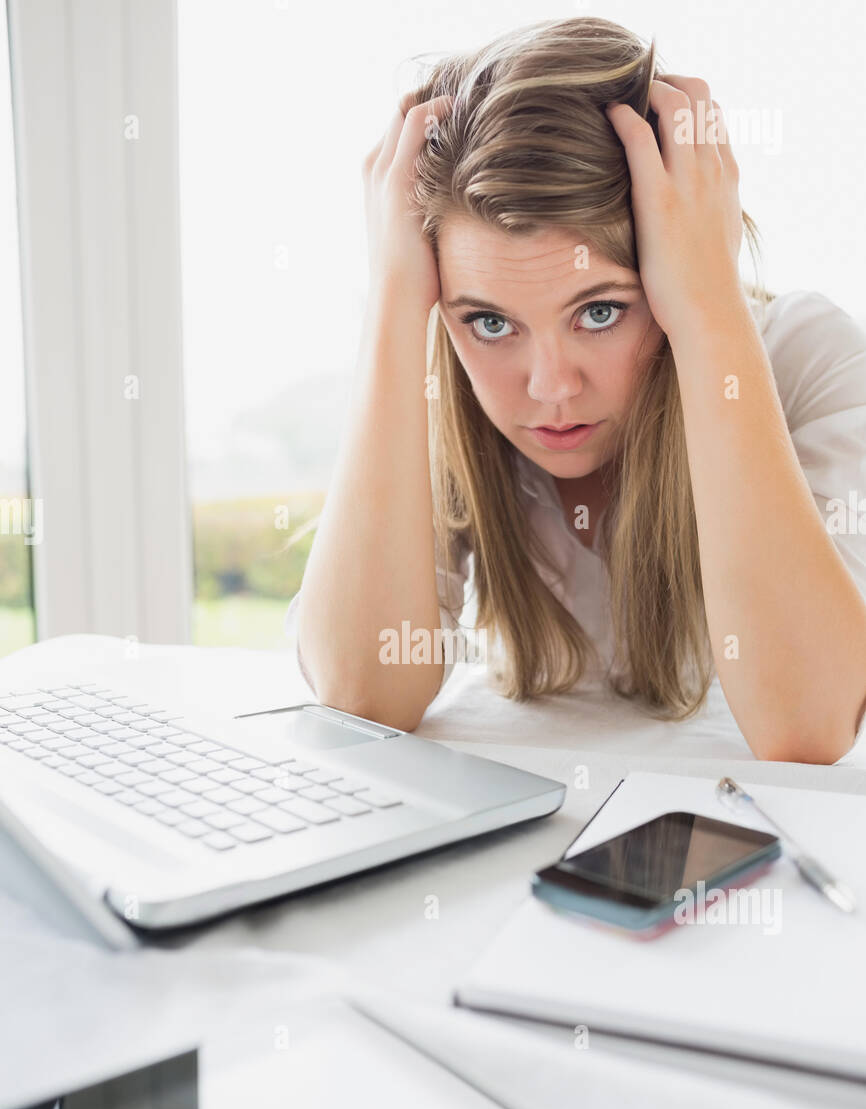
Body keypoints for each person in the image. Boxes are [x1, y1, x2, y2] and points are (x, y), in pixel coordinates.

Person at [287, 15, 866, 764]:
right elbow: (364, 697)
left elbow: (807, 727)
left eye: (600, 311)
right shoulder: (436, 390)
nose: (551, 386)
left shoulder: (802, 359)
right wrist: (394, 301)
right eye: (491, 321)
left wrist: (710, 310)